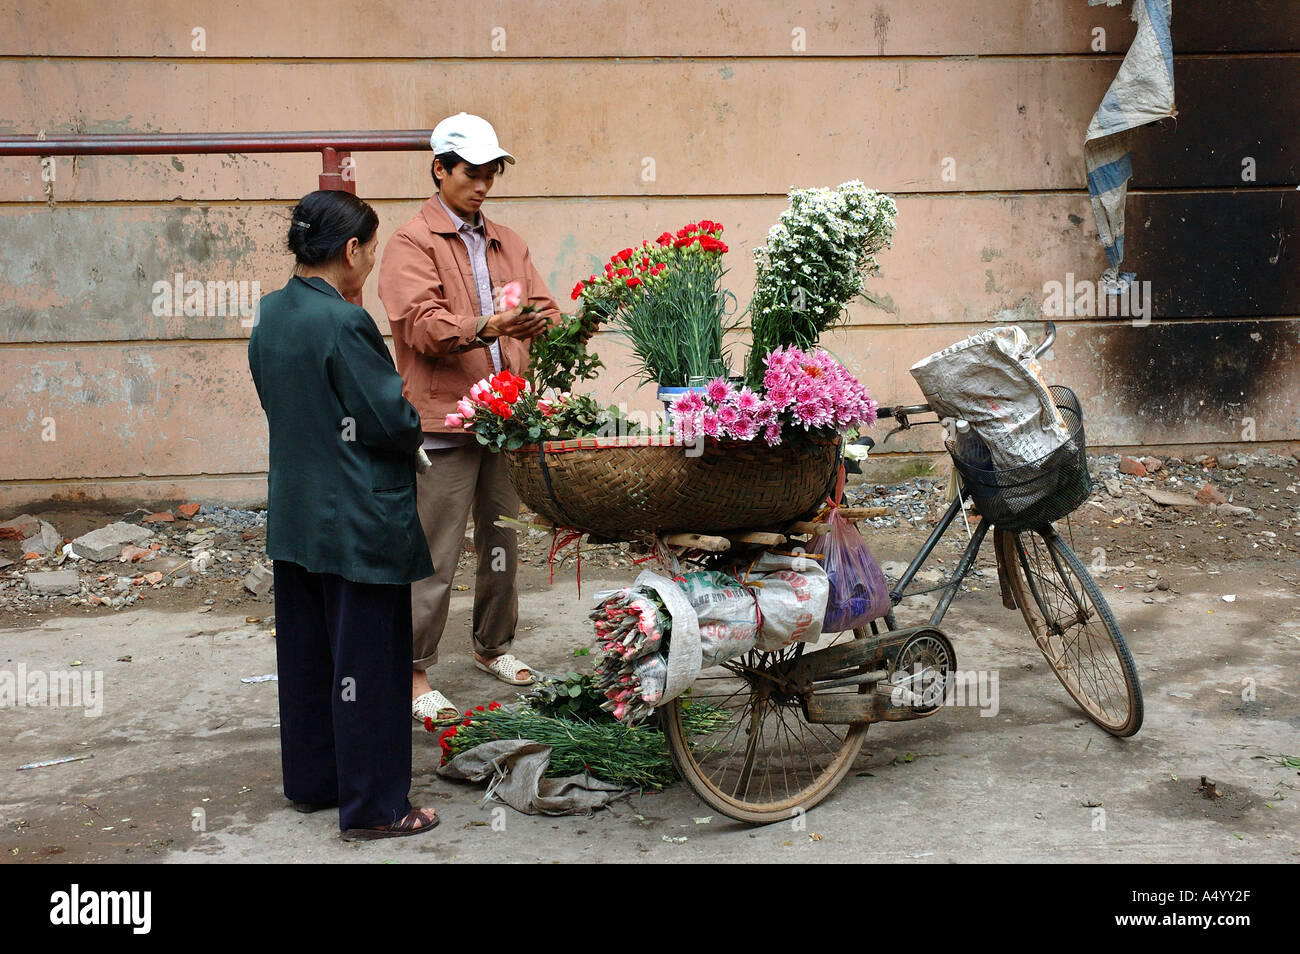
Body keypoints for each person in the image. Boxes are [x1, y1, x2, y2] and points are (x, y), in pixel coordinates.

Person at [247, 189, 439, 841]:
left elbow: (278, 399)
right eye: (372, 248)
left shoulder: (272, 313)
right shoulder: (345, 322)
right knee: (369, 666)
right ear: (351, 250)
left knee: (309, 657)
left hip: (298, 515)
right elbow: (391, 420)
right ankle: (376, 808)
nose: (371, 260)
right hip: (359, 521)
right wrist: (407, 411)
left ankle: (314, 782)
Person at [378, 112, 559, 722]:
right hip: (442, 421)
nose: (481, 186)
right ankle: (411, 671)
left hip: (504, 419)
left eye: (490, 174)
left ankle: (492, 646)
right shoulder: (412, 242)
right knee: (434, 550)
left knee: (503, 541)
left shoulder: (507, 240)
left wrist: (538, 323)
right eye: (470, 174)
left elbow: (541, 306)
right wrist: (488, 325)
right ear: (440, 169)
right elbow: (419, 326)